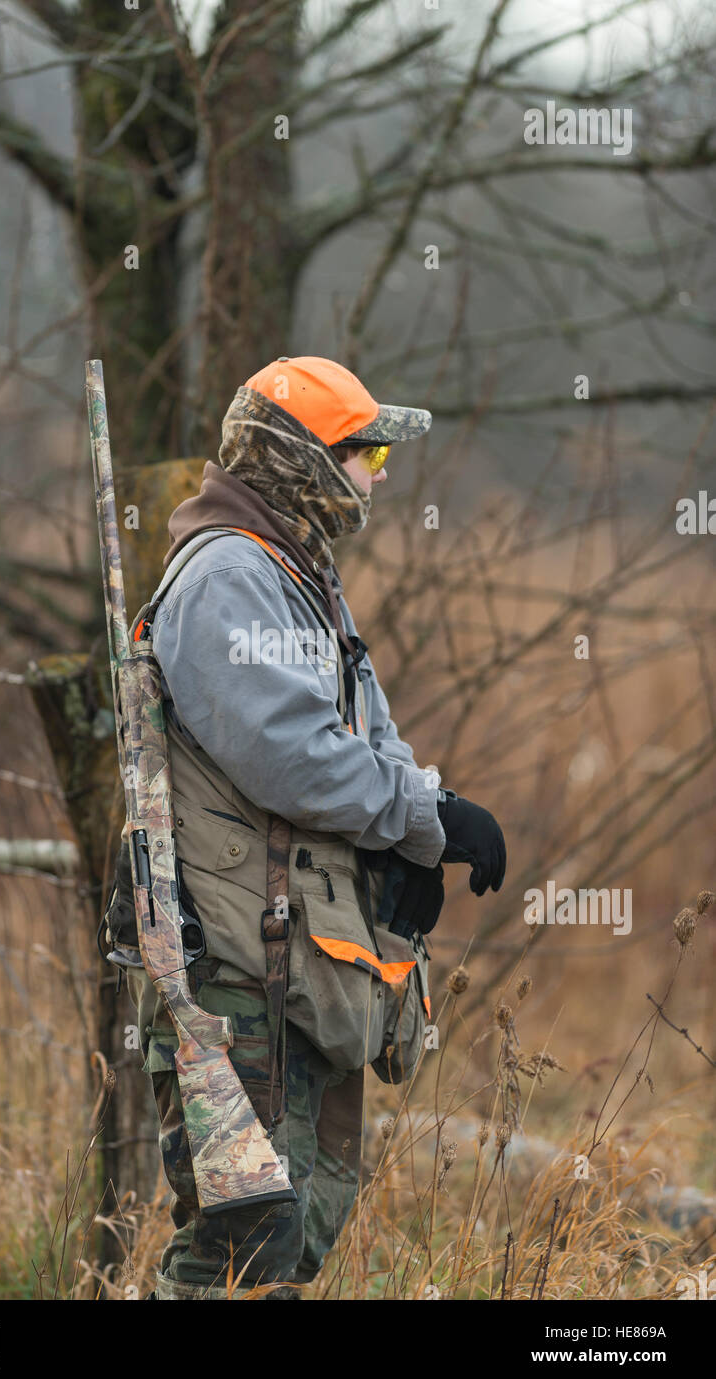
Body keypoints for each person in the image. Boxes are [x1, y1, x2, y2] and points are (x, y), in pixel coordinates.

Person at [103, 355, 506, 1300]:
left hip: (296, 963)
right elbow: (291, 753)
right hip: (239, 977)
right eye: (361, 452)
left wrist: (415, 836)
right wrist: (425, 815)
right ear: (300, 461)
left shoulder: (297, 570)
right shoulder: (230, 577)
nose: (374, 474)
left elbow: (364, 729)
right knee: (238, 1251)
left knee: (292, 1243)